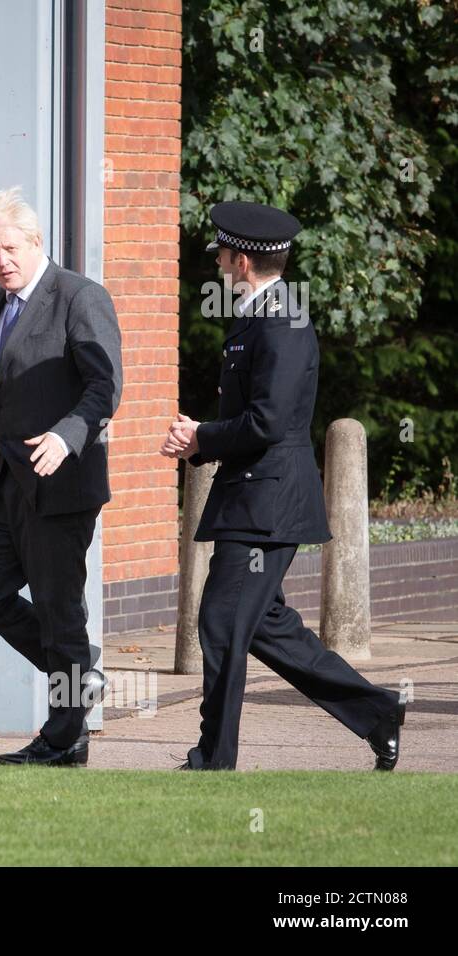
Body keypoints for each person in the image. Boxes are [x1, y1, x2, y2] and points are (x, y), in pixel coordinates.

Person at [160, 200, 404, 771]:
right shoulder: (260, 315)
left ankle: (213, 759)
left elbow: (268, 422)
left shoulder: (283, 321)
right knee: (267, 627)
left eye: (222, 254)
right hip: (253, 497)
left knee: (221, 621)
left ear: (241, 261)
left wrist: (202, 437)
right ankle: (377, 712)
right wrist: (202, 440)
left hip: (268, 503)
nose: (217, 263)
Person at [0, 186, 123, 766]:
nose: (1, 261)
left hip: (62, 482)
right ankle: (78, 674)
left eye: (9, 248)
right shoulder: (3, 304)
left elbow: (104, 388)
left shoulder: (79, 297)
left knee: (58, 610)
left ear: (35, 242)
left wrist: (67, 434)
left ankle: (64, 738)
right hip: (7, 482)